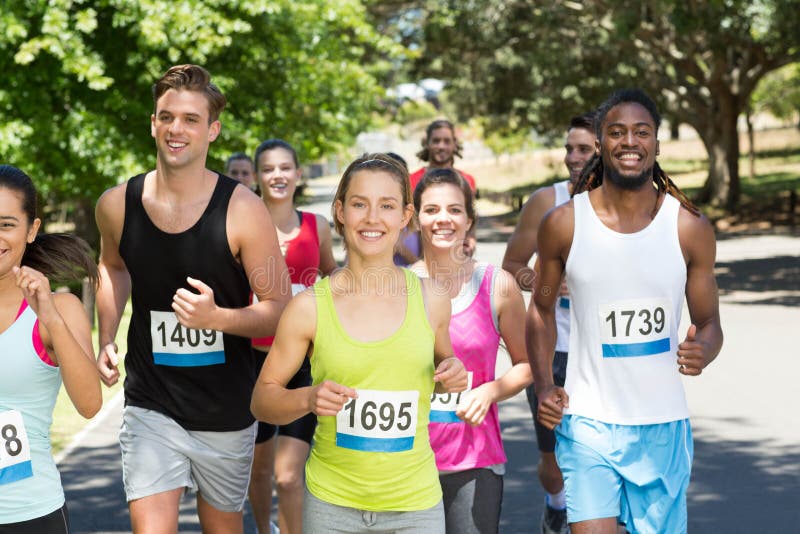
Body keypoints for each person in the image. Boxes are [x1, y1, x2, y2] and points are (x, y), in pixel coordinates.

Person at [95, 64, 290, 533]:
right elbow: (112, 267)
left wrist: (217, 318)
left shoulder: (243, 208)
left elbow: (281, 308)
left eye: (190, 119)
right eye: (166, 117)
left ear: (213, 130)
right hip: (150, 403)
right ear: (153, 123)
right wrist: (105, 337)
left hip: (225, 409)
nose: (175, 129)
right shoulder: (117, 204)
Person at [528, 88, 723, 534]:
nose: (629, 142)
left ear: (656, 143)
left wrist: (704, 350)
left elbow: (709, 323)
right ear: (600, 143)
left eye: (642, 132)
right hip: (587, 421)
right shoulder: (563, 223)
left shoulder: (689, 228)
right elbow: (539, 311)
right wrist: (543, 386)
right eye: (616, 132)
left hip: (662, 425)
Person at [251, 154, 468, 533]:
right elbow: (262, 401)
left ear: (404, 217)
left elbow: (443, 368)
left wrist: (452, 372)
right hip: (333, 508)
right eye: (359, 204)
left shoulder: (432, 299)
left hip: (415, 507)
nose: (372, 218)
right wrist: (307, 398)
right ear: (340, 212)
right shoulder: (308, 308)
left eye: (386, 206)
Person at [412, 168, 532, 533]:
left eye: (454, 210)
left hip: (475, 460)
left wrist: (489, 391)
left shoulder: (497, 285)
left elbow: (526, 365)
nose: (442, 219)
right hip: (406, 461)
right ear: (414, 217)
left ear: (469, 221)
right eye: (431, 210)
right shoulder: (396, 286)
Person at [501, 111, 597, 534]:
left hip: (602, 351)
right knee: (552, 457)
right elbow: (512, 264)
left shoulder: (626, 204)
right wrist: (541, 281)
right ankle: (556, 504)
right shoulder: (546, 201)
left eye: (584, 149)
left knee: (599, 450)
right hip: (552, 348)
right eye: (569, 149)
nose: (573, 158)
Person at [0, 164, 101, 532]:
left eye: (6, 224)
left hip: (29, 514)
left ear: (32, 230)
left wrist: (51, 318)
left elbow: (90, 405)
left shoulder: (59, 309)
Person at [249, 138, 337, 534]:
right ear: (256, 176)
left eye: (286, 167)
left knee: (287, 475)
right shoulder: (244, 223)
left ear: (299, 174)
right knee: (259, 472)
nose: (278, 175)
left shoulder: (316, 226)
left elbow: (335, 277)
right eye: (268, 169)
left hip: (305, 362)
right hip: (252, 360)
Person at [410, 120, 478, 257]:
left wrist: (471, 239)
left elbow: (471, 217)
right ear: (427, 144)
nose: (441, 146)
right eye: (436, 141)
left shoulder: (467, 180)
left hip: (457, 260)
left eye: (447, 141)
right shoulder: (411, 180)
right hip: (418, 260)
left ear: (454, 144)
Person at [385, 152, 421, 267]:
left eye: (399, 176)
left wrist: (402, 249)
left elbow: (425, 266)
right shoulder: (370, 217)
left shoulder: (416, 215)